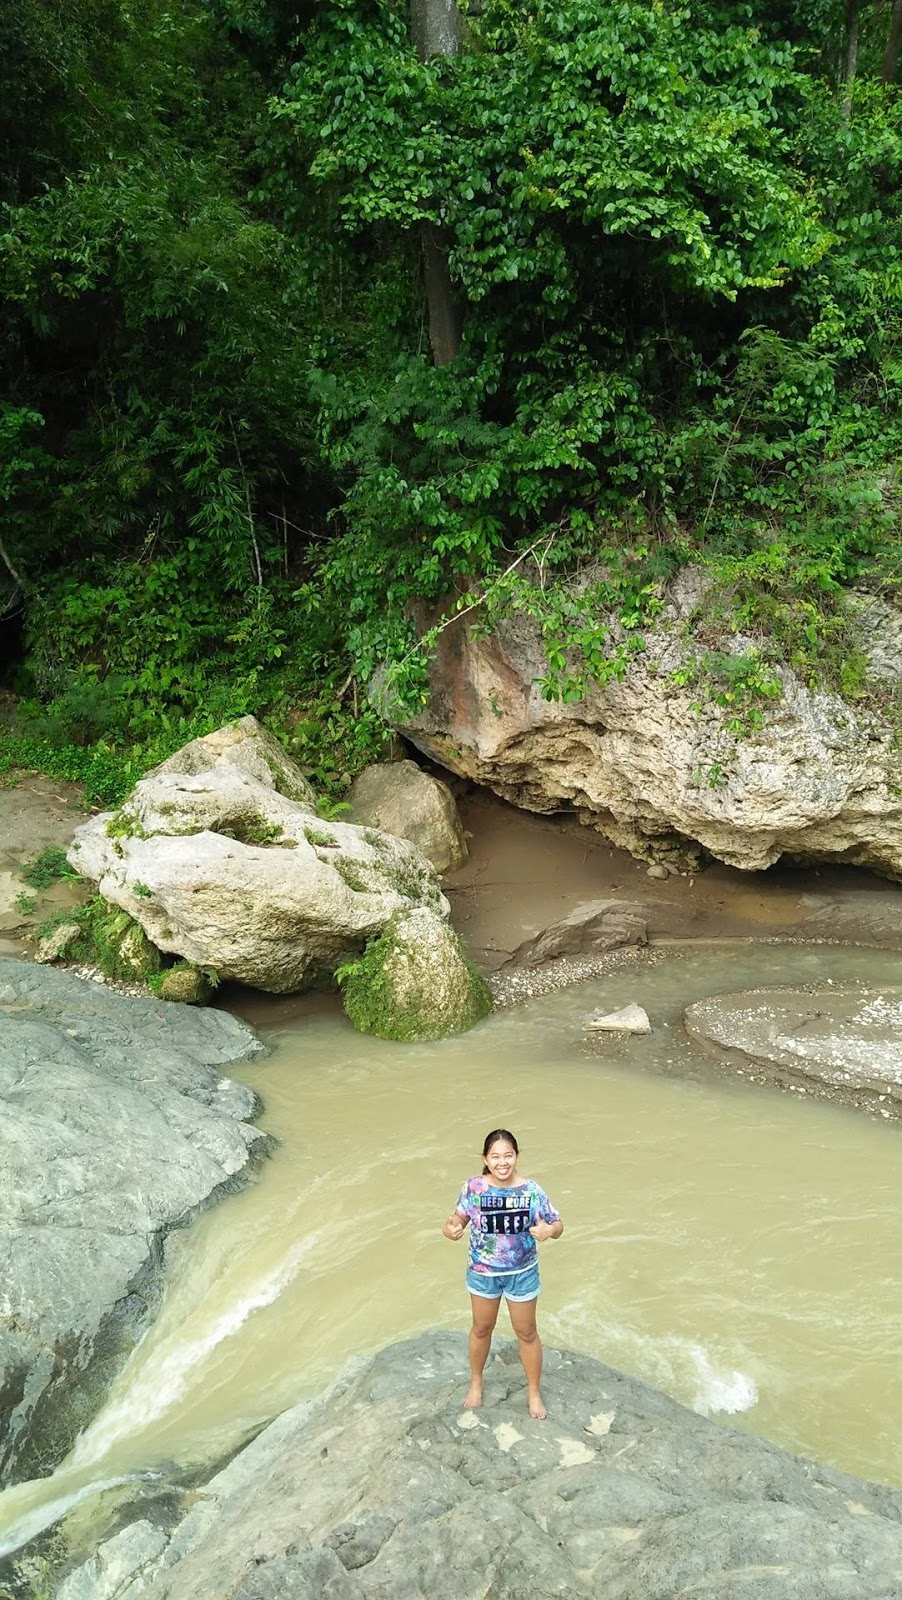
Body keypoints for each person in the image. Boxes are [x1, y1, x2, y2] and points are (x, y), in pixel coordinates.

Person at [442, 1128, 563, 1419]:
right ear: (485, 1158)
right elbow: (456, 1219)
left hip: (522, 1272)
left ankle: (533, 1392)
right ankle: (476, 1383)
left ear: (517, 1156)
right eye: (495, 1156)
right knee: (481, 1329)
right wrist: (451, 1229)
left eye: (508, 1155)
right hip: (484, 1273)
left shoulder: (532, 1190)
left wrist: (549, 1231)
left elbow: (557, 1224)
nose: (502, 1162)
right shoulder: (474, 1188)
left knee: (527, 1332)